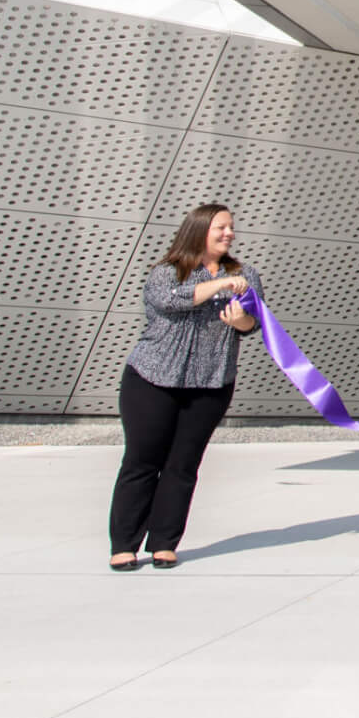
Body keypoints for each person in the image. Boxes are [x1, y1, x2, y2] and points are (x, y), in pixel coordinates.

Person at [107, 203, 261, 570]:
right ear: (199, 231)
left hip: (210, 383)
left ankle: (164, 542)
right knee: (142, 461)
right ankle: (124, 543)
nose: (229, 234)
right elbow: (170, 301)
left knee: (183, 465)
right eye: (220, 228)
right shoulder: (167, 272)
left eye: (231, 228)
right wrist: (220, 284)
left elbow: (254, 324)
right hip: (153, 378)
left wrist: (241, 320)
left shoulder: (246, 274)